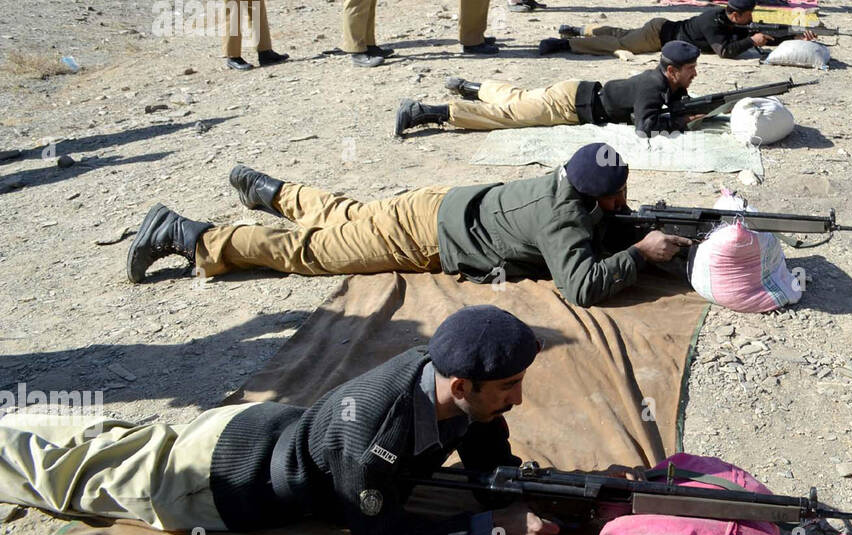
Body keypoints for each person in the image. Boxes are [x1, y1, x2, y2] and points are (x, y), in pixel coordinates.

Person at [0, 306, 568, 535]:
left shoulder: (451, 377)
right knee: (67, 473)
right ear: (462, 384)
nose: (516, 399)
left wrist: (551, 494)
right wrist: (487, 530)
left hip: (262, 433)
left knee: (113, 440)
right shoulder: (373, 433)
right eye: (510, 386)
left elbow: (489, 456)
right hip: (215, 481)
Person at [125, 144, 691, 308]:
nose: (624, 199)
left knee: (347, 215)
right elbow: (583, 287)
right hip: (425, 235)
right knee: (316, 252)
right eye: (619, 193)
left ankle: (272, 192)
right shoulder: (564, 217)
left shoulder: (566, 187)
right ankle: (187, 235)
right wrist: (640, 253)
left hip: (438, 206)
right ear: (594, 193)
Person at [394, 40, 704, 138]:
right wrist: (678, 123)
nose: (694, 73)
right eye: (690, 69)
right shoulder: (652, 87)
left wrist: (691, 110)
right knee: (506, 116)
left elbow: (678, 102)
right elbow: (645, 127)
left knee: (518, 99)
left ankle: (472, 87)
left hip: (575, 94)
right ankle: (425, 112)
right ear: (672, 70)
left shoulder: (664, 81)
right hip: (568, 106)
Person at [538, 0, 811, 58]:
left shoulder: (727, 19)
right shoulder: (712, 22)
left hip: (660, 27)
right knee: (619, 44)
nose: (750, 20)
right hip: (658, 37)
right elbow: (725, 51)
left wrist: (794, 38)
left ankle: (581, 29)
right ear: (735, 14)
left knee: (624, 33)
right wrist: (752, 41)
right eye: (748, 15)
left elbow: (758, 33)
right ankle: (567, 43)